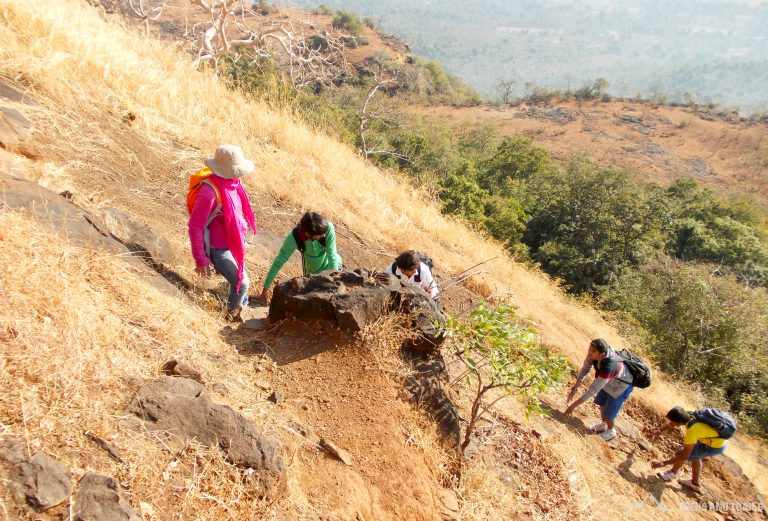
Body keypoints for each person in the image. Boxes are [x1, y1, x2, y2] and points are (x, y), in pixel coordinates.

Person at [188, 144, 257, 318]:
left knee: (240, 279)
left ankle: (244, 307)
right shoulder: (209, 192)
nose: (240, 174)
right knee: (242, 284)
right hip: (218, 248)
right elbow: (195, 226)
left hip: (233, 243)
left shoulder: (234, 183)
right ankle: (231, 318)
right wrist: (200, 258)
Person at [260, 211, 342, 303]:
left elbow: (332, 256)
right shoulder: (293, 238)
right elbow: (279, 261)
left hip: (333, 269)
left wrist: (333, 282)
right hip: (313, 274)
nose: (324, 235)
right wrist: (265, 289)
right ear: (307, 234)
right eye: (320, 234)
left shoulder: (327, 228)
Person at [564, 338, 634, 441]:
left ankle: (611, 431)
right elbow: (585, 369)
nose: (589, 353)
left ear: (601, 354)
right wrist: (574, 389)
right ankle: (604, 425)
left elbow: (593, 390)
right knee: (601, 402)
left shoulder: (609, 366)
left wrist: (572, 407)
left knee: (610, 411)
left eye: (593, 351)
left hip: (622, 386)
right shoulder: (592, 356)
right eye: (589, 349)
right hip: (609, 380)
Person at [650, 406, 731, 493]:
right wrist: (659, 431)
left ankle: (672, 473)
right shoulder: (689, 414)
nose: (671, 423)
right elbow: (672, 423)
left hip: (714, 445)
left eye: (673, 421)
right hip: (711, 438)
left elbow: (684, 456)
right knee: (694, 456)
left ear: (680, 422)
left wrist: (662, 463)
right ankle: (694, 483)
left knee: (680, 453)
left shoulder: (692, 431)